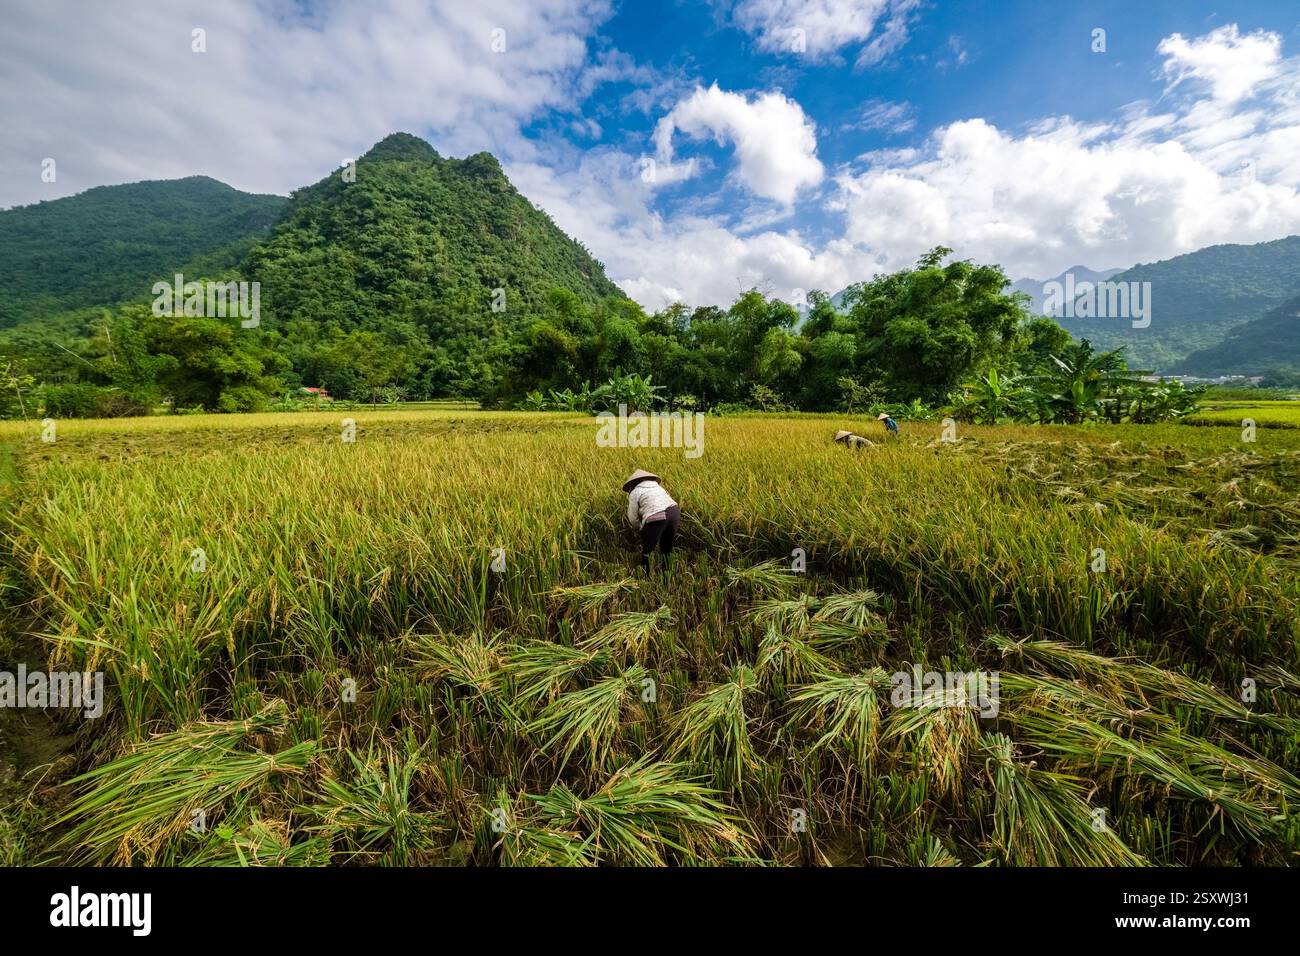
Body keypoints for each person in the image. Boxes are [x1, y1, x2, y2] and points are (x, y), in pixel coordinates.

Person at [624, 469, 681, 572]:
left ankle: (645, 574)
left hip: (657, 516)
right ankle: (667, 571)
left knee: (648, 549)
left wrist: (639, 528)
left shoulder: (635, 492)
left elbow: (632, 517)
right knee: (666, 547)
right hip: (674, 512)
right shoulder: (658, 487)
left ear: (634, 482)